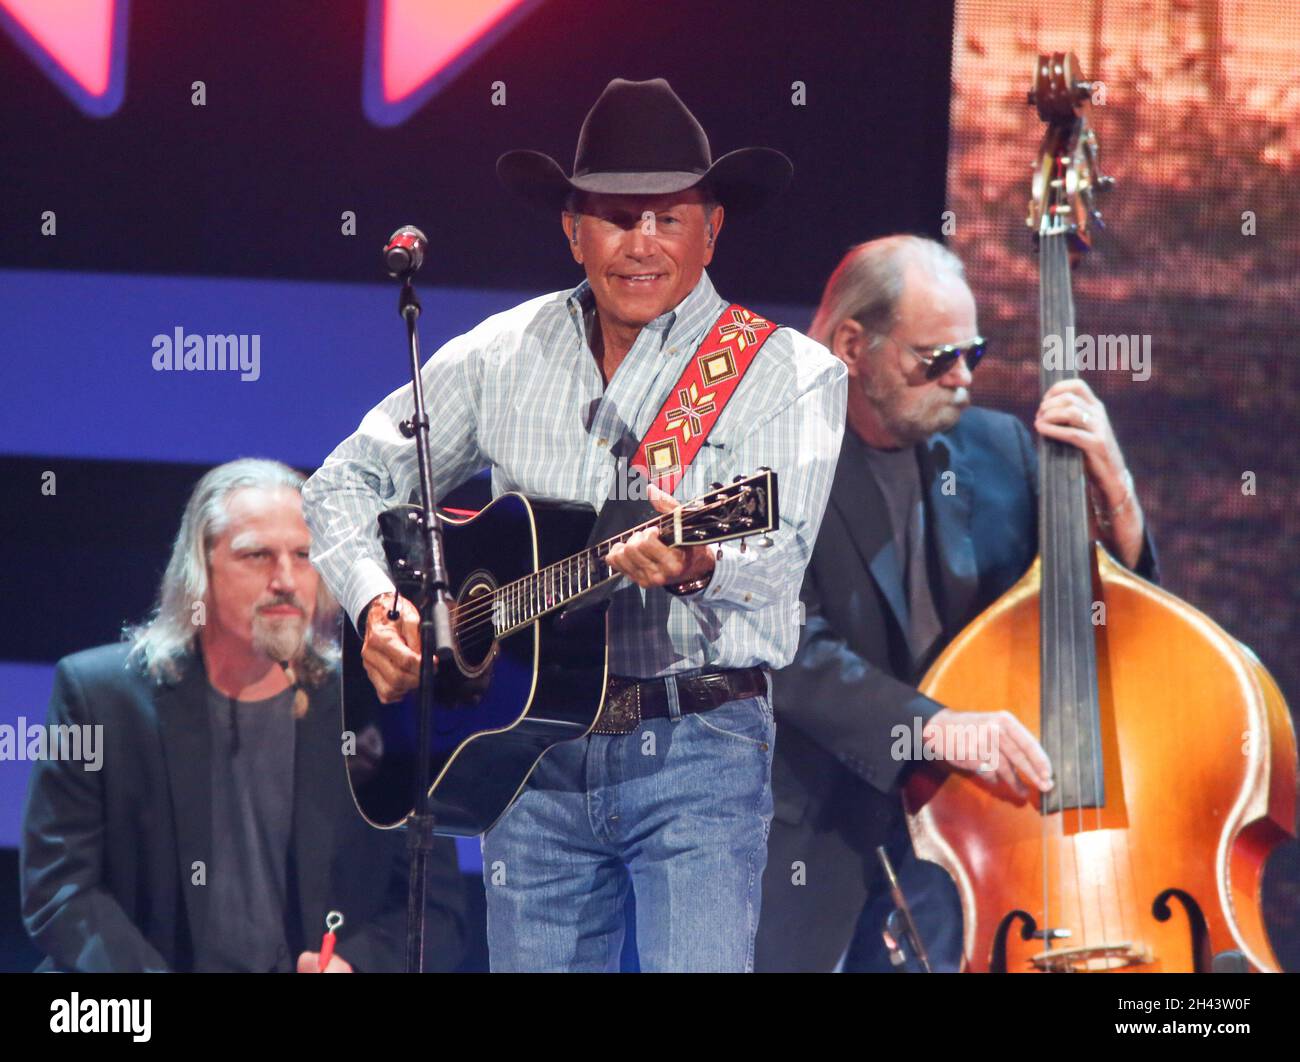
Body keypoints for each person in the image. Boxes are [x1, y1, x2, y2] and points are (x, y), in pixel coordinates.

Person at [302, 78, 847, 972]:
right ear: (571, 228)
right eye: (615, 217)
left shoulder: (791, 374)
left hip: (697, 746)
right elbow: (344, 481)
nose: (642, 245)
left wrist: (700, 555)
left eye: (668, 219)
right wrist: (373, 606)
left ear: (712, 227)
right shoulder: (498, 353)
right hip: (526, 750)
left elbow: (778, 556)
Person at [754, 235, 1158, 972]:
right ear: (853, 344)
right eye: (936, 359)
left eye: (974, 350)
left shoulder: (1000, 448)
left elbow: (1113, 626)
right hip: (820, 835)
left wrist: (1116, 492)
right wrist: (933, 729)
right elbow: (783, 646)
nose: (964, 377)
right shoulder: (772, 463)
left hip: (984, 837)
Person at [21, 459, 467, 972]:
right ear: (199, 569)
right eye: (256, 555)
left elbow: (437, 908)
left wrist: (356, 965)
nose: (285, 579)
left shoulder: (375, 702)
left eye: (304, 555)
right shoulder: (99, 697)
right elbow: (61, 888)